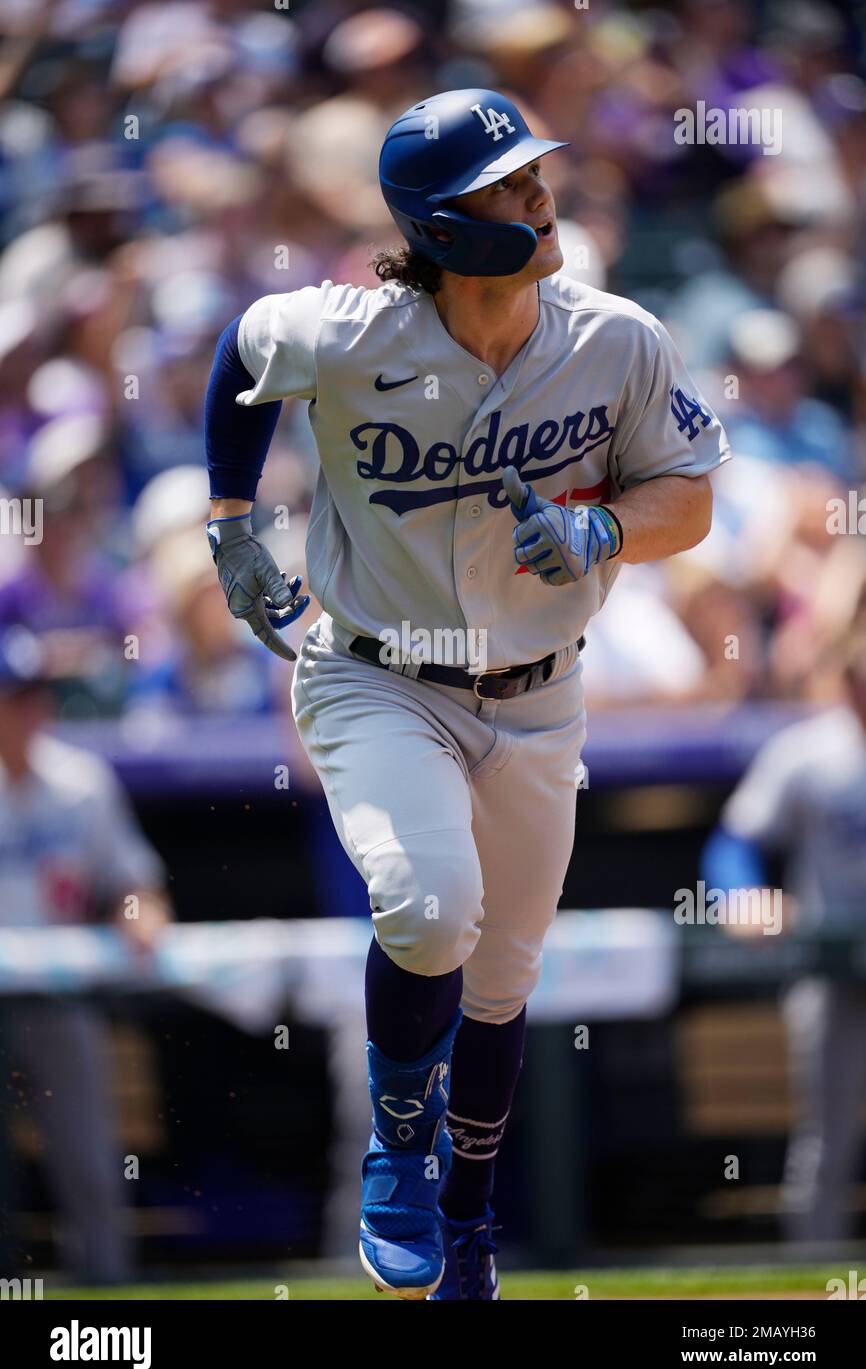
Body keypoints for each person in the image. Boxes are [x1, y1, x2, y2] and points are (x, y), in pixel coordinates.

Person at [203, 88, 728, 1299]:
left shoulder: (615, 336)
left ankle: (473, 1227)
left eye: (536, 175)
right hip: (378, 677)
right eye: (509, 186)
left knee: (502, 981)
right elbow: (242, 344)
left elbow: (687, 495)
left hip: (541, 697)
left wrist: (602, 528)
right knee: (429, 907)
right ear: (440, 226)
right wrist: (233, 526)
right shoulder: (350, 330)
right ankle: (399, 1145)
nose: (540, 197)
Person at [0, 626, 169, 1281]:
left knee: (89, 1162)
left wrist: (140, 916)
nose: (26, 711)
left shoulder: (81, 782)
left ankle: (108, 1290)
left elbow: (131, 886)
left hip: (58, 995)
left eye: (33, 696)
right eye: (11, 698)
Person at [703, 626, 866, 1245]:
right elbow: (734, 842)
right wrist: (742, 895)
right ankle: (817, 1279)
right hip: (831, 970)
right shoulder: (808, 751)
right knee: (825, 1141)